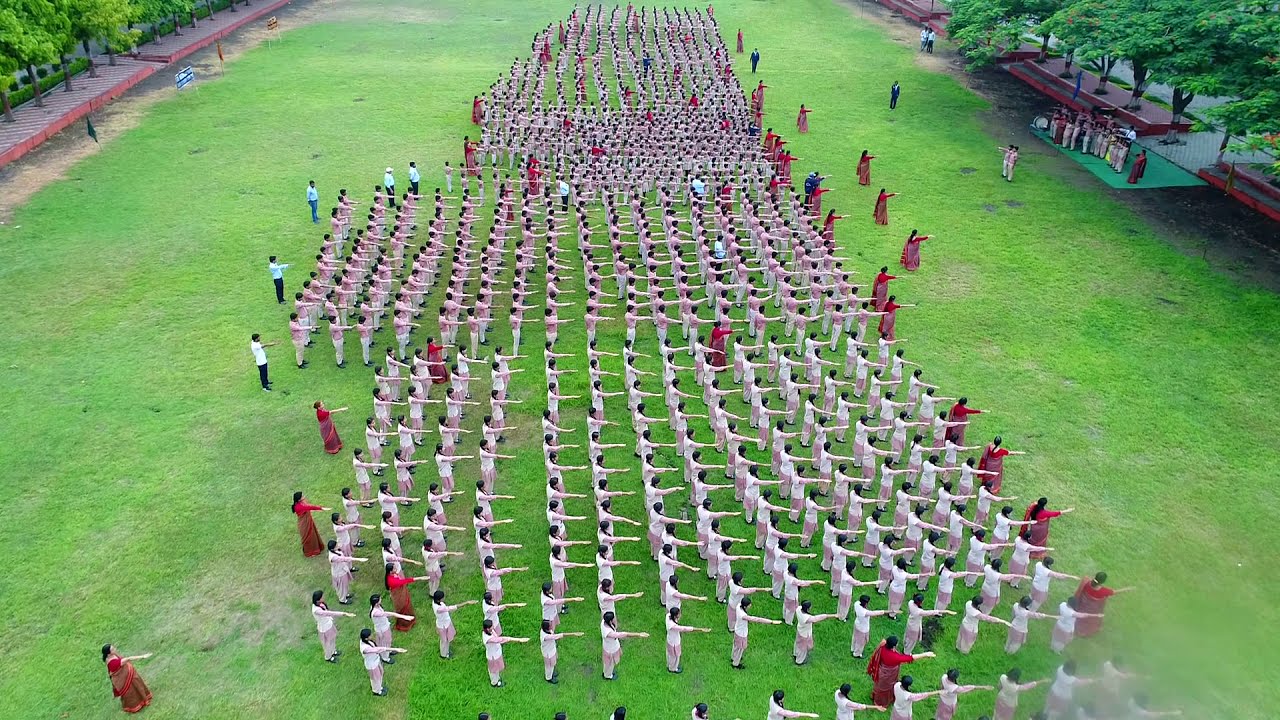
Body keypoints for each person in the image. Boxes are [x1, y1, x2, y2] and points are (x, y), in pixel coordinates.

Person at [867, 636, 934, 705]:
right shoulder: (894, 657)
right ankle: (880, 702)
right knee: (886, 688)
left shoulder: (883, 646)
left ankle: (875, 696)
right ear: (893, 646)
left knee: (880, 686)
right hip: (889, 674)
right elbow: (910, 658)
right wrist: (925, 654)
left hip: (881, 671)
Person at [1072, 572, 1132, 637]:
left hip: (1082, 604)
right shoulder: (1104, 591)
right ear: (1103, 581)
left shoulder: (1087, 583)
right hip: (1092, 609)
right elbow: (1115, 592)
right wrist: (1127, 589)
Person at [102, 644, 153, 713]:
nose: (115, 649)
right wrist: (143, 656)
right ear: (108, 654)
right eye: (112, 649)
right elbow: (128, 659)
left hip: (126, 673)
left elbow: (120, 658)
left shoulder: (111, 655)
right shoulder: (112, 662)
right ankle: (135, 705)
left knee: (136, 684)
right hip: (122, 678)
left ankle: (143, 697)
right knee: (130, 691)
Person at [311, 589, 355, 662]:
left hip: (329, 625)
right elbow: (330, 613)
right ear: (318, 599)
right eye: (322, 597)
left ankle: (333, 651)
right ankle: (328, 657)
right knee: (327, 643)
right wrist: (344, 613)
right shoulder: (317, 610)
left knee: (332, 639)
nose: (323, 597)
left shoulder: (319, 604)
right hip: (324, 628)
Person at [359, 627, 407, 696]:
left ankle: (379, 687)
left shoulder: (365, 641)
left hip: (375, 661)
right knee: (376, 678)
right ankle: (377, 691)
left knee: (380, 673)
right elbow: (379, 649)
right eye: (370, 635)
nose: (371, 635)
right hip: (372, 665)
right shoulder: (365, 648)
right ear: (366, 638)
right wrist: (395, 649)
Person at [292, 491, 327, 557]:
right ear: (299, 499)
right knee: (308, 537)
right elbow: (310, 507)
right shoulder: (299, 506)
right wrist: (321, 508)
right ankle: (310, 552)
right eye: (302, 496)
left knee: (312, 534)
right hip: (304, 523)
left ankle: (316, 548)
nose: (304, 496)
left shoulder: (301, 502)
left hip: (308, 521)